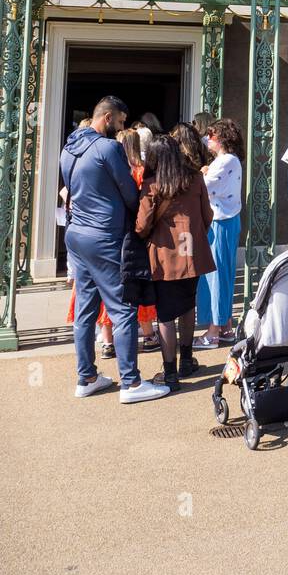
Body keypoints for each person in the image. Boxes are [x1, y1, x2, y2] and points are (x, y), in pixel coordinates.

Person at [60, 95, 169, 403]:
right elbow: (129, 192)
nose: (122, 126)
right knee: (123, 309)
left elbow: (70, 190)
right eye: (120, 121)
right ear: (108, 118)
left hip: (77, 234)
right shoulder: (108, 148)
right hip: (105, 236)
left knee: (85, 310)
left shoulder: (68, 149)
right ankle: (132, 384)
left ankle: (87, 377)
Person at [136, 135, 216, 392]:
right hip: (191, 252)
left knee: (166, 315)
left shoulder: (152, 185)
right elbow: (208, 216)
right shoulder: (195, 178)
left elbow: (141, 225)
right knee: (187, 306)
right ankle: (187, 360)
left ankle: (170, 373)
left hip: (164, 256)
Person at [195, 118, 244, 349]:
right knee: (221, 274)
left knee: (216, 275)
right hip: (224, 221)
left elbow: (206, 187)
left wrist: (202, 173)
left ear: (221, 138)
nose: (208, 139)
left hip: (220, 222)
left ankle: (214, 331)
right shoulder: (227, 161)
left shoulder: (225, 161)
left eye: (211, 135)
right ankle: (224, 326)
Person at [118, 128, 158, 352]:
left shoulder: (120, 171)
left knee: (121, 283)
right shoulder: (142, 171)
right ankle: (149, 334)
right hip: (141, 233)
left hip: (120, 232)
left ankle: (112, 338)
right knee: (141, 283)